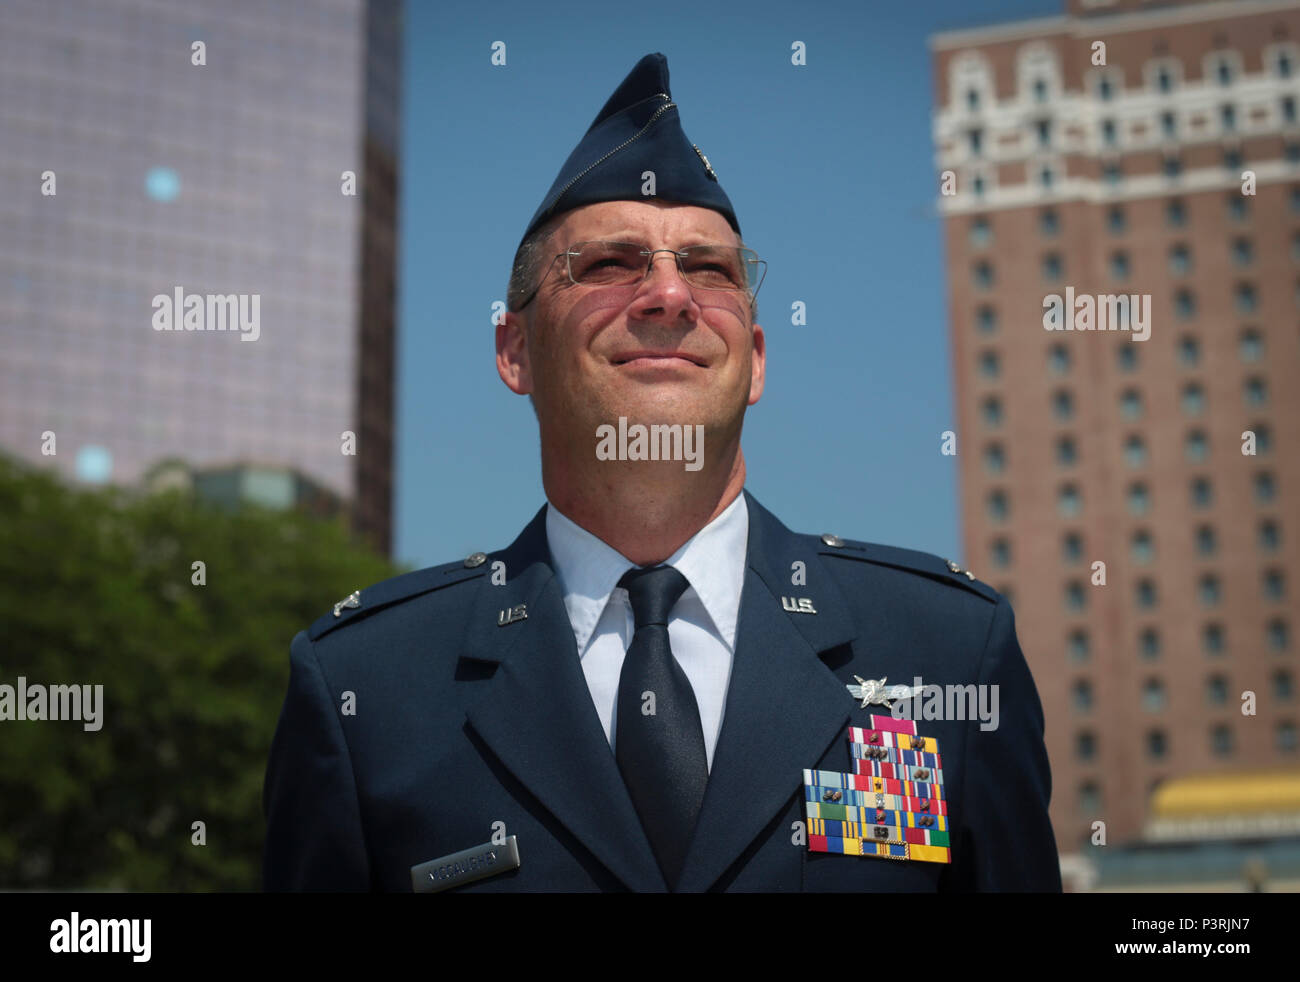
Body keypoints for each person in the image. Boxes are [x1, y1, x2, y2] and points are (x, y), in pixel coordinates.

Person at [262, 52, 1061, 893]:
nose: (669, 297)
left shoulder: (946, 654)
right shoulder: (368, 688)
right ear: (515, 351)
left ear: (753, 361)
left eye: (709, 270)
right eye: (610, 265)